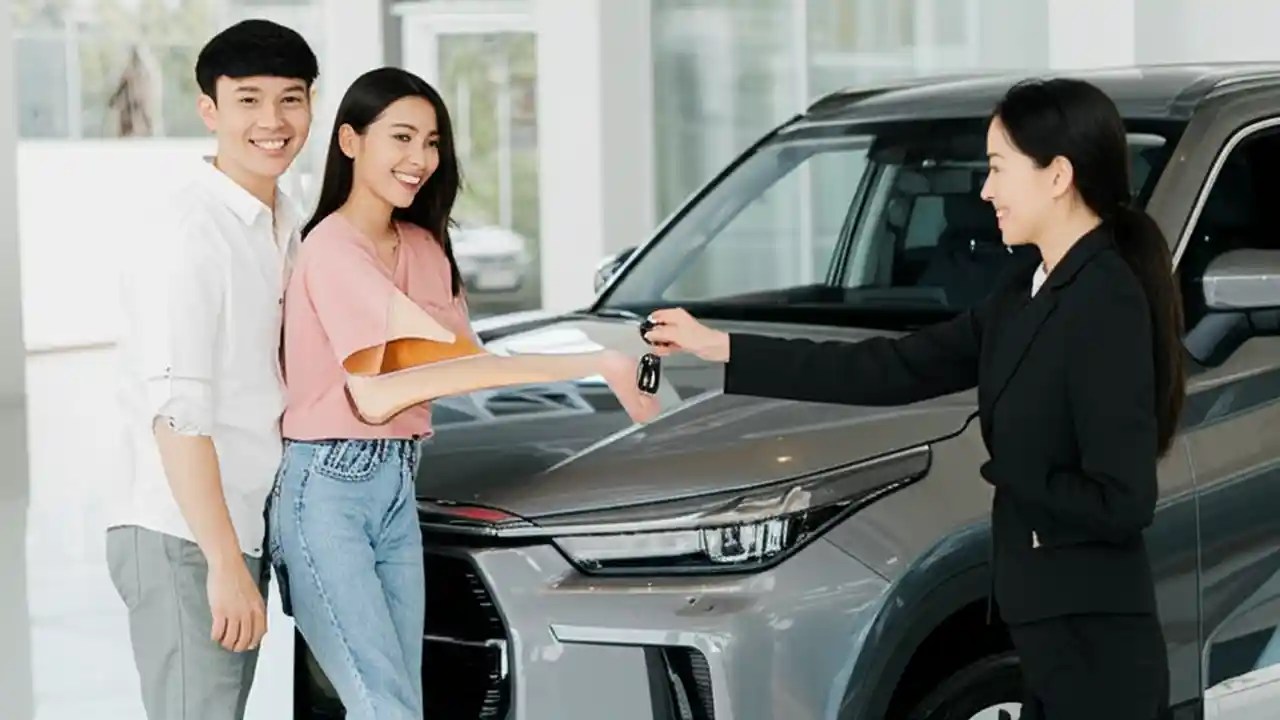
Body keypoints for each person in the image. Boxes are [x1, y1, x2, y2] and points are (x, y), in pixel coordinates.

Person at [642, 77, 1183, 720]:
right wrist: (723, 347)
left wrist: (1014, 473)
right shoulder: (1025, 292)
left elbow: (1124, 501)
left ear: (1058, 175)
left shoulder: (1105, 300)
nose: (985, 191)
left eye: (997, 168)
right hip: (1045, 634)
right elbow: (889, 367)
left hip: (1096, 648)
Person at [269, 66, 657, 719]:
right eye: (401, 137)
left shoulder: (424, 246)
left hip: (399, 487)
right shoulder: (331, 250)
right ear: (349, 142)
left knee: (403, 703)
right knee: (382, 705)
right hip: (326, 494)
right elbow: (391, 389)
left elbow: (466, 362)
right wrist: (596, 362)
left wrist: (601, 359)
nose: (419, 157)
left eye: (431, 141)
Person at [107, 19, 318, 720]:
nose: (273, 121)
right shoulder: (190, 233)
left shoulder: (282, 219)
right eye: (249, 100)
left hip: (234, 527)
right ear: (210, 110)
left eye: (291, 99)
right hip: (186, 534)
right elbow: (177, 414)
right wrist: (225, 564)